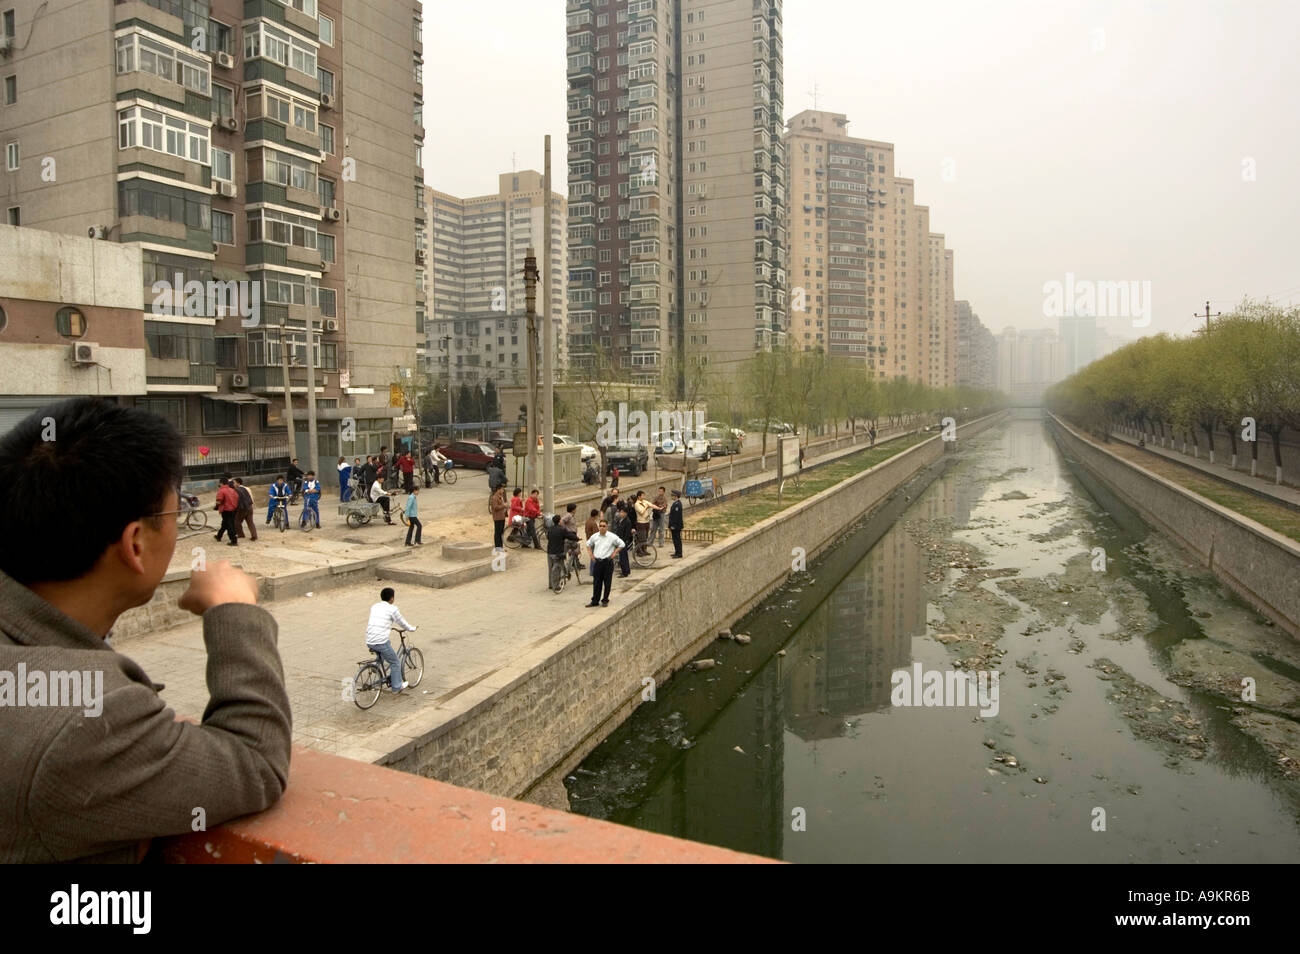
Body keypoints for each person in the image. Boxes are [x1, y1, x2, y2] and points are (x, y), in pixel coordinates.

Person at [0, 397, 290, 863]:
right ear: (135, 543)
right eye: (171, 518)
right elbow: (255, 764)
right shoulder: (80, 722)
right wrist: (234, 610)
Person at [365, 587, 415, 694]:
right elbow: (401, 622)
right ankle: (397, 686)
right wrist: (411, 628)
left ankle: (377, 665)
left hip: (369, 640)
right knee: (395, 662)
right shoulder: (393, 609)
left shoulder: (374, 606)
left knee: (386, 645)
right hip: (380, 641)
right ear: (392, 598)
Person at [585, 518, 625, 607]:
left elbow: (622, 544)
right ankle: (595, 600)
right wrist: (590, 554)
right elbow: (588, 544)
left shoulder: (612, 536)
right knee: (596, 582)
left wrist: (615, 552)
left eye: (604, 526)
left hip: (607, 562)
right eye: (600, 526)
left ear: (607, 527)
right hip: (598, 562)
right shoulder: (595, 536)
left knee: (607, 582)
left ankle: (605, 600)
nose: (602, 528)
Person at [545, 514, 579, 592]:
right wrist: (577, 538)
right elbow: (569, 535)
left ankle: (551, 584)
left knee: (551, 568)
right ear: (559, 521)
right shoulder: (562, 529)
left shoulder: (550, 529)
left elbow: (548, 537)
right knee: (557, 568)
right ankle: (556, 586)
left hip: (550, 551)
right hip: (558, 552)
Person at [213, 475, 240, 546]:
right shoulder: (232, 490)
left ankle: (234, 540)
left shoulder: (221, 491)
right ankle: (219, 536)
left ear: (221, 483)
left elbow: (219, 501)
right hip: (233, 509)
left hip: (226, 510)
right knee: (225, 523)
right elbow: (237, 498)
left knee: (229, 525)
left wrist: (216, 507)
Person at [613, 502, 634, 578]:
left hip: (623, 542)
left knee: (623, 557)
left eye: (622, 512)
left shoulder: (627, 521)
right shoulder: (621, 520)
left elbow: (627, 534)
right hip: (620, 540)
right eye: (620, 512)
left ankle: (625, 572)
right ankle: (626, 570)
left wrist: (622, 541)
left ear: (625, 513)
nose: (620, 513)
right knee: (623, 557)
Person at [233, 476, 257, 541]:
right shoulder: (246, 489)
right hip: (249, 507)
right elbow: (250, 497)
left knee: (237, 521)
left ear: (238, 483)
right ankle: (254, 535)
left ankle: (241, 534)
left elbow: (237, 501)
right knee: (250, 522)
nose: (233, 484)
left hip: (242, 508)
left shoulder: (237, 490)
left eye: (234, 483)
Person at [560, 502, 584, 570]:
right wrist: (565, 530)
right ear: (573, 509)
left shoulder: (571, 516)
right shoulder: (569, 515)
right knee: (573, 548)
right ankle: (571, 565)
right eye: (575, 509)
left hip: (572, 535)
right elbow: (562, 521)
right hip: (570, 535)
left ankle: (575, 563)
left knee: (574, 549)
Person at [489, 483, 509, 550]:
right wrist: (504, 505)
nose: (503, 490)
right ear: (498, 489)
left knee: (501, 532)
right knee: (497, 533)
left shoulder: (501, 496)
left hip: (502, 517)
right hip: (497, 518)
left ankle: (500, 546)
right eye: (502, 489)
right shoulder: (494, 498)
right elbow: (495, 507)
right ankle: (497, 547)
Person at [669, 488, 684, 557]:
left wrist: (673, 525)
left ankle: (679, 553)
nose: (671, 497)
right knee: (675, 540)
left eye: (672, 495)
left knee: (677, 539)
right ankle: (677, 552)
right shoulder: (675, 503)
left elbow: (676, 517)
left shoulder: (677, 505)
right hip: (675, 525)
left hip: (676, 526)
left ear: (676, 496)